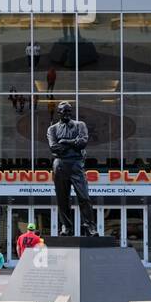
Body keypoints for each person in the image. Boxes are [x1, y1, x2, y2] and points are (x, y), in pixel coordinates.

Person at [48, 101, 98, 236]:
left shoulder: (80, 125)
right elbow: (54, 147)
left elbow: (83, 142)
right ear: (59, 113)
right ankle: (66, 227)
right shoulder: (52, 129)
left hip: (76, 165)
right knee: (62, 198)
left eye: (69, 111)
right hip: (60, 166)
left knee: (84, 196)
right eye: (64, 111)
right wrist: (73, 145)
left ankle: (90, 226)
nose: (67, 114)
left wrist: (65, 142)